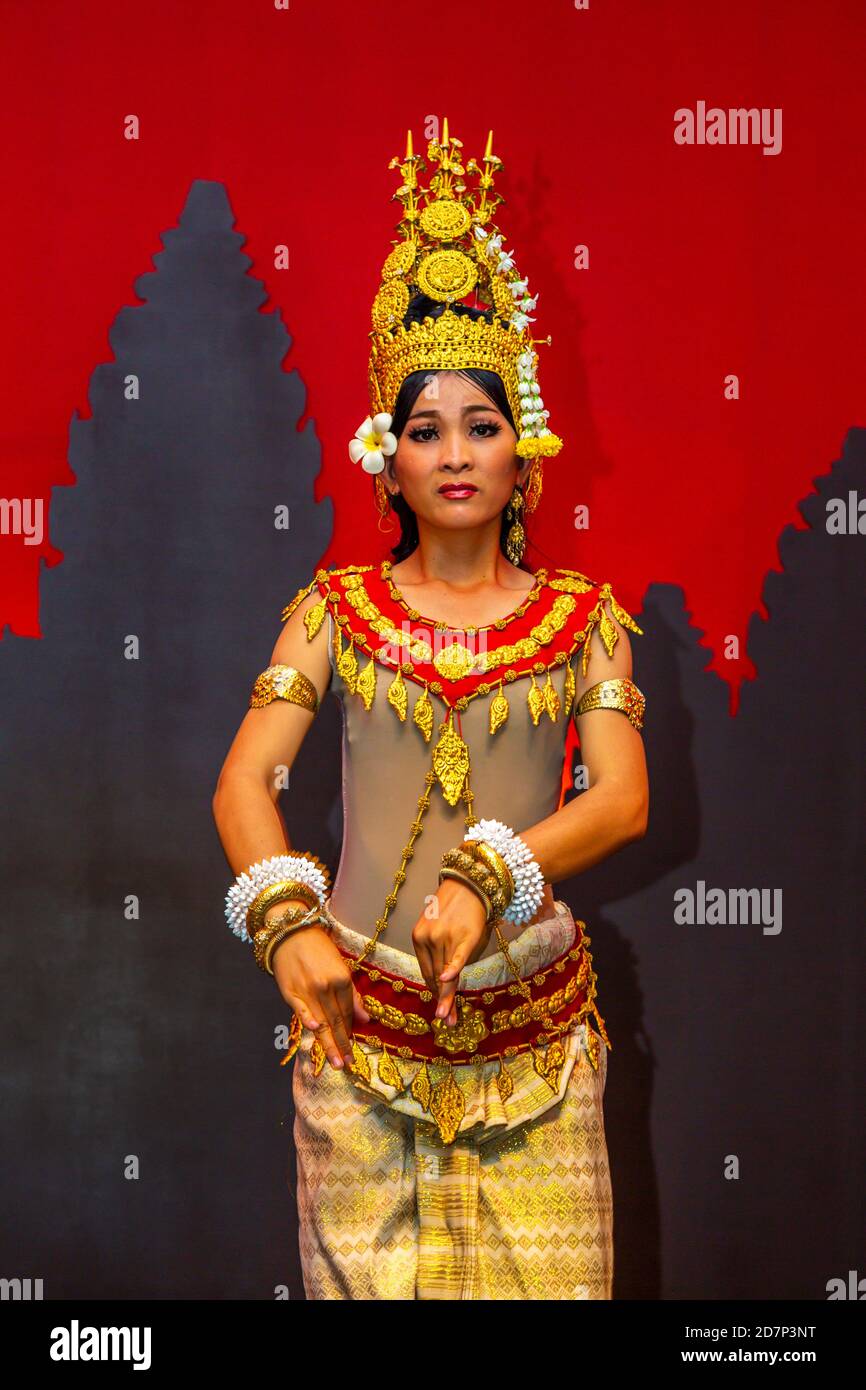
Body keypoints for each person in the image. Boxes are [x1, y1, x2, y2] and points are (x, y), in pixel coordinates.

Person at [212, 119, 649, 1300]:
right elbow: (244, 782)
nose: (453, 450)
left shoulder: (582, 616)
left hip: (536, 1047)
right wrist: (289, 929)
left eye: (480, 422)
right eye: (422, 428)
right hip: (358, 1044)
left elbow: (619, 798)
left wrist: (492, 867)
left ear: (525, 447)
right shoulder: (335, 609)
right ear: (385, 457)